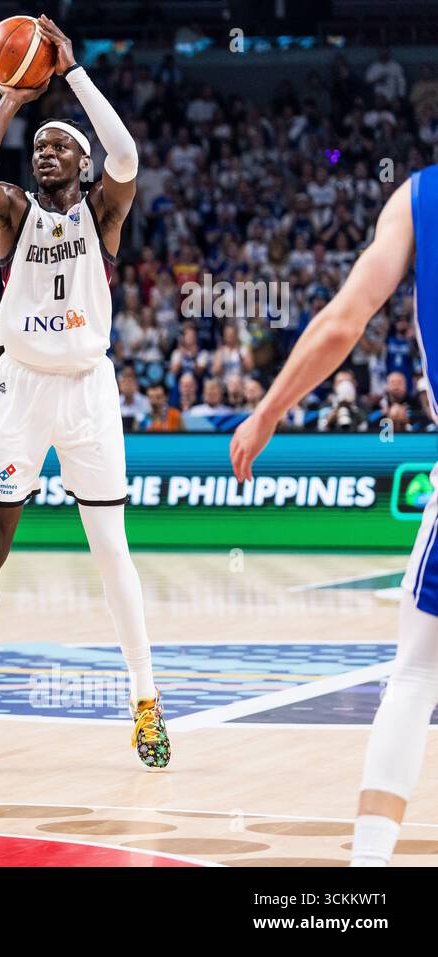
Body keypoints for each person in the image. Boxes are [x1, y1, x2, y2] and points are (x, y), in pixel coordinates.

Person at [0, 16, 167, 771]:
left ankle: (144, 700)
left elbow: (127, 155)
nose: (46, 152)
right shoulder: (14, 211)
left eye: (59, 144)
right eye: (39, 147)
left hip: (89, 392)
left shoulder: (103, 212)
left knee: (110, 550)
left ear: (83, 162)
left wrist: (70, 76)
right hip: (21, 388)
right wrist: (10, 101)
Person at [232, 166, 438, 867]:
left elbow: (343, 320)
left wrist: (269, 409)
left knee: (414, 676)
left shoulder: (419, 196)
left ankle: (368, 874)